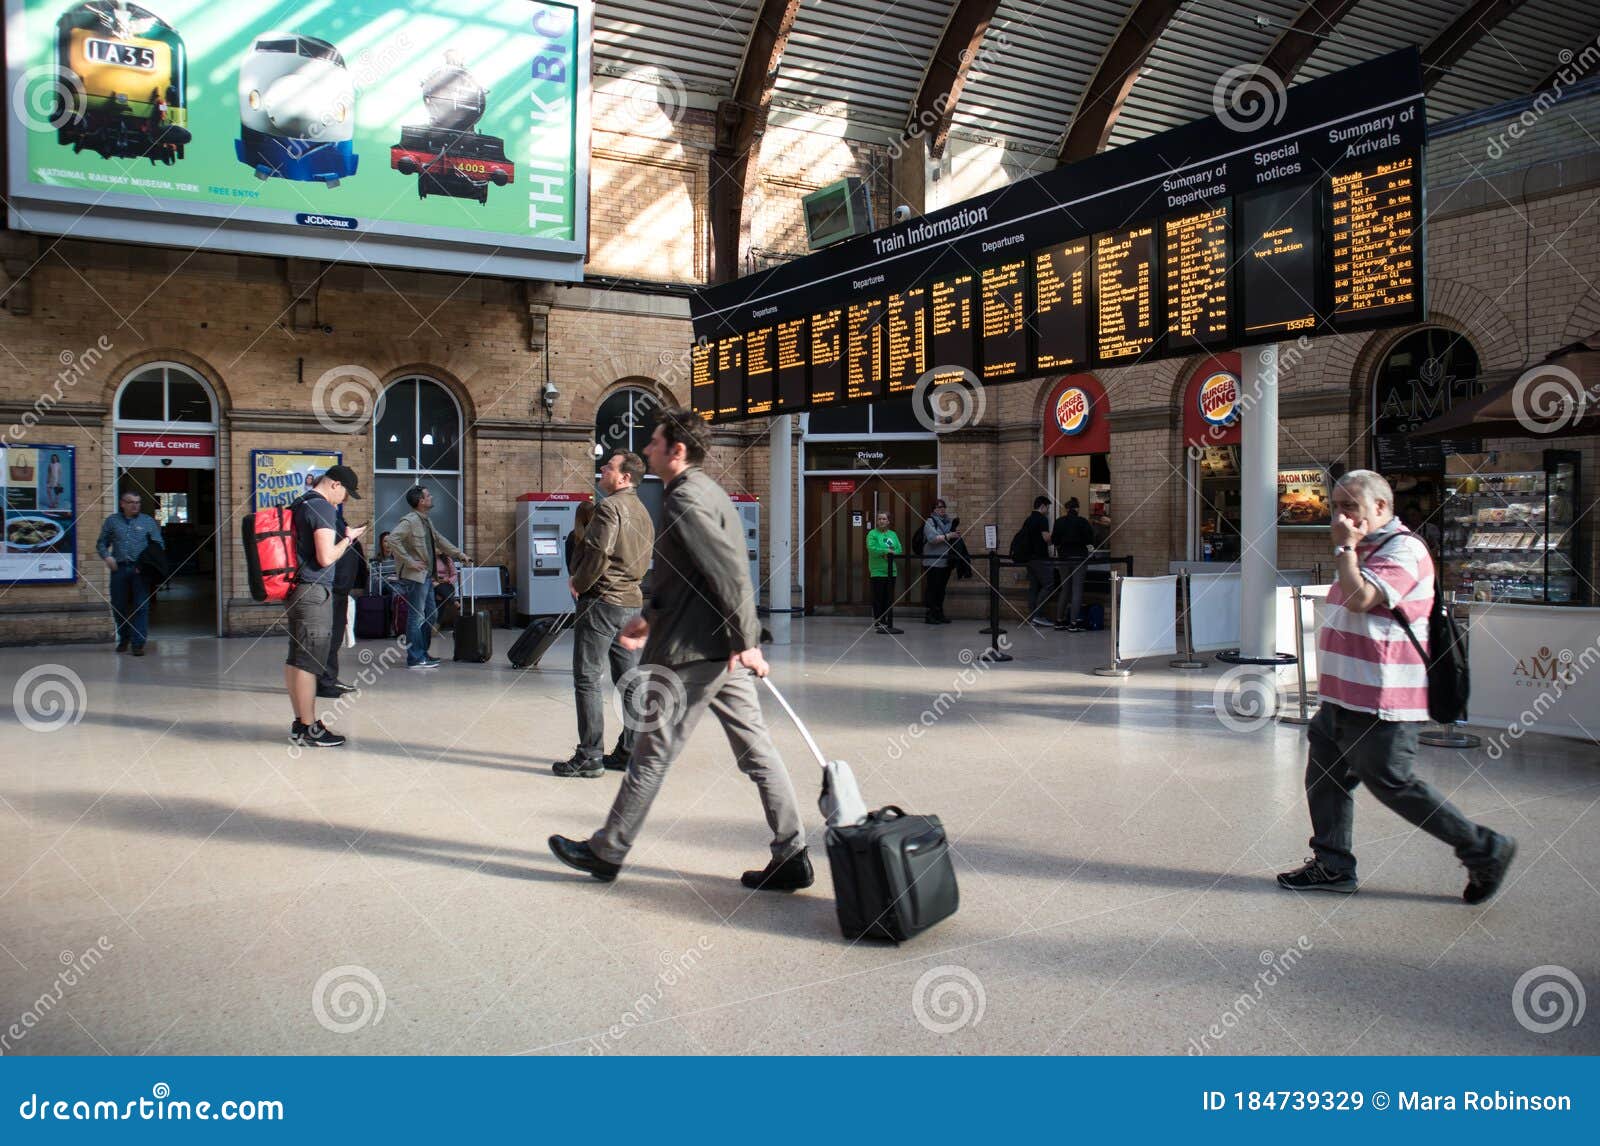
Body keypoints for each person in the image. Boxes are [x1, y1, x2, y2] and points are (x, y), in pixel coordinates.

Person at [549, 407, 808, 891]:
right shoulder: (703, 491)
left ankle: (607, 852)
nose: (647, 450)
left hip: (695, 654)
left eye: (655, 442)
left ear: (678, 450)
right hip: (718, 649)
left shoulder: (685, 497)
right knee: (758, 752)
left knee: (652, 752)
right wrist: (649, 616)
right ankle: (792, 850)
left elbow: (729, 571)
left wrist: (749, 642)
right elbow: (691, 574)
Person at [1277, 469, 1516, 904]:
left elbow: (1360, 599)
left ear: (1381, 508)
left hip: (1382, 702)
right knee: (1326, 779)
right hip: (1343, 698)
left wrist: (1344, 547)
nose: (1341, 516)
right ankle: (1332, 864)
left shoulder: (1403, 549)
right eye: (1336, 507)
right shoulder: (1366, 549)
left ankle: (1483, 847)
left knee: (1393, 782)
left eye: (1350, 506)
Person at [555, 450, 655, 779]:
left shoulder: (610, 507)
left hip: (601, 602)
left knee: (587, 678)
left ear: (624, 478)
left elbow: (599, 551)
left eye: (609, 467)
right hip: (630, 603)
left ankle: (589, 756)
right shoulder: (643, 511)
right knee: (629, 680)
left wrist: (579, 583)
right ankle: (629, 751)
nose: (602, 468)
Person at [285, 465, 365, 748]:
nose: (344, 500)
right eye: (345, 493)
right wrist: (349, 539)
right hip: (314, 593)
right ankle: (308, 728)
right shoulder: (323, 508)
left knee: (297, 659)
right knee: (310, 663)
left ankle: (301, 722)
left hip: (297, 590)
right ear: (335, 484)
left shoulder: (301, 502)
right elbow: (326, 556)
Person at [387, 485, 470, 670]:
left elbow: (440, 540)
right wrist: (409, 562)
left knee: (431, 615)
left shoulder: (426, 521)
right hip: (416, 577)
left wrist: (459, 555)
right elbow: (393, 539)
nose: (431, 497)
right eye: (427, 495)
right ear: (420, 501)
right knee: (416, 617)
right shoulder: (409, 521)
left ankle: (422, 653)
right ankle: (415, 658)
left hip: (427, 577)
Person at [96, 490, 164, 656]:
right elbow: (101, 543)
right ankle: (124, 637)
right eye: (131, 502)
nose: (135, 505)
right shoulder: (112, 521)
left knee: (141, 605)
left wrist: (146, 564)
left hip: (140, 570)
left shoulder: (148, 522)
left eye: (138, 502)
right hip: (119, 568)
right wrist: (107, 557)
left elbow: (158, 545)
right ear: (122, 504)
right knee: (118, 605)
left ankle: (138, 643)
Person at [1050, 497, 1095, 632]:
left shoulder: (1059, 522)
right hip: (1079, 558)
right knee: (1077, 590)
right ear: (1077, 508)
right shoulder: (1082, 522)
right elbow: (1090, 539)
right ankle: (1074, 623)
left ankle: (1059, 620)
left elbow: (1054, 540)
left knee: (1065, 588)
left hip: (1063, 558)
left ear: (1066, 508)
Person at [921, 499, 959, 625]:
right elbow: (932, 539)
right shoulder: (930, 522)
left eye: (943, 507)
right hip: (932, 562)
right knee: (932, 589)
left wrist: (954, 534)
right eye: (938, 507)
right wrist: (949, 536)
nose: (942, 509)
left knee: (941, 590)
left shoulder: (948, 522)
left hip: (944, 562)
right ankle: (930, 614)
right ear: (934, 510)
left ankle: (939, 613)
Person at [866, 510, 903, 634]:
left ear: (888, 521)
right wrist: (886, 551)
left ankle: (887, 619)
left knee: (888, 597)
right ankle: (879, 620)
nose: (881, 521)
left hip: (891, 571)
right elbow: (872, 549)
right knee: (878, 597)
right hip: (878, 571)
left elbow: (899, 549)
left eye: (884, 519)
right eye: (879, 519)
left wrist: (892, 552)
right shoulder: (872, 534)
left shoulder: (892, 534)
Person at [1021, 495, 1052, 626]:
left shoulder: (1028, 520)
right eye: (1047, 507)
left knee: (1033, 587)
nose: (1048, 510)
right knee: (1049, 584)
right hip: (1040, 558)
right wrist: (1053, 537)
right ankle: (1038, 615)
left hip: (1029, 558)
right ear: (1042, 506)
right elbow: (1046, 538)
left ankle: (1032, 617)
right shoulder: (1042, 519)